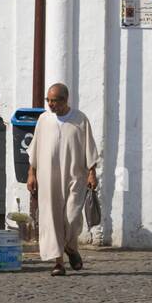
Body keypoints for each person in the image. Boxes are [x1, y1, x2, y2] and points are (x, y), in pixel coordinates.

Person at [27, 83, 98, 277]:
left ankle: (70, 247)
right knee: (52, 218)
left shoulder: (80, 119)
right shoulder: (44, 119)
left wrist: (92, 172)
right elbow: (34, 151)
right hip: (48, 177)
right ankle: (58, 262)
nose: (51, 104)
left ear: (65, 100)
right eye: (48, 100)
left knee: (72, 217)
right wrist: (31, 174)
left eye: (54, 101)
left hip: (75, 176)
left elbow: (89, 148)